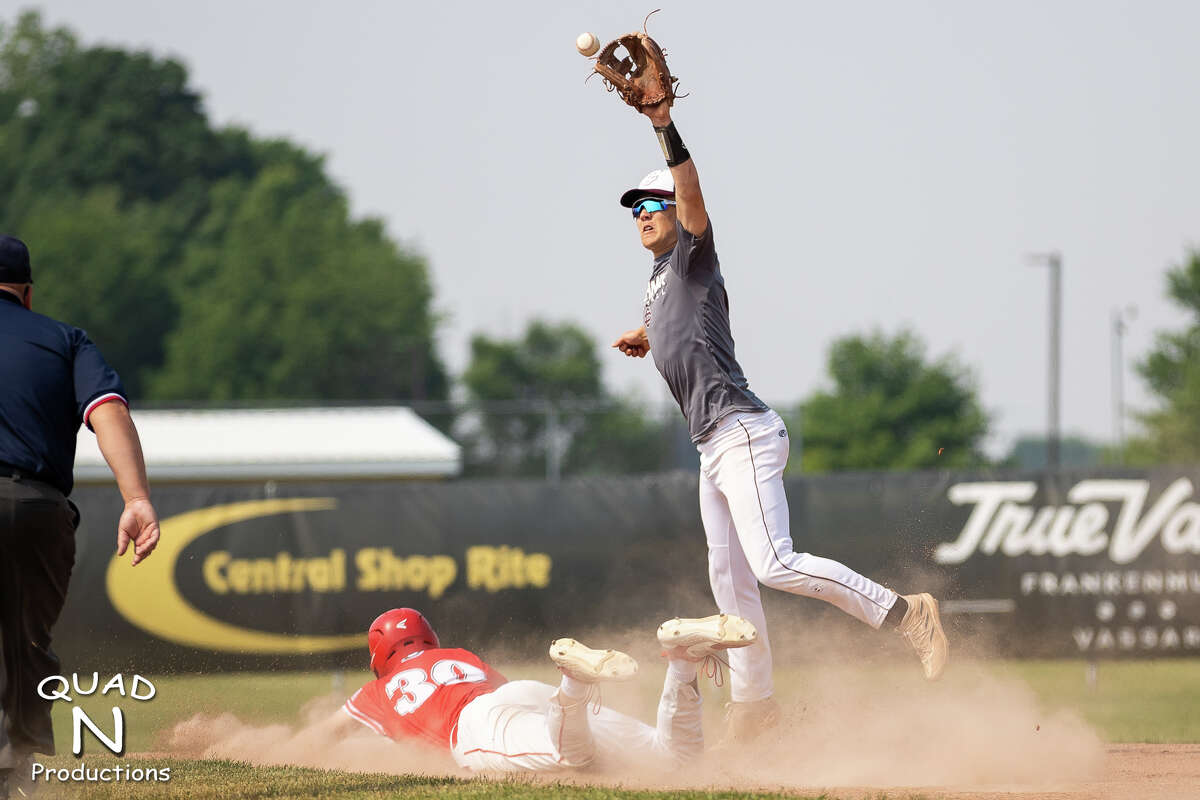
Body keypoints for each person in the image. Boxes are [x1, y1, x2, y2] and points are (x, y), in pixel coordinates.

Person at [607, 101, 949, 742]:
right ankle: (756, 706)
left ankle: (908, 614)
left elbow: (691, 193)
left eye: (651, 205)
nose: (642, 216)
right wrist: (645, 335)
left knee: (772, 565)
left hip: (743, 431)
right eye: (634, 209)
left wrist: (663, 125)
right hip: (711, 446)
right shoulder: (660, 282)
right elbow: (683, 328)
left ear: (676, 214)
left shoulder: (692, 256)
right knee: (727, 578)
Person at [0, 235, 161, 797]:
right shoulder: (63, 340)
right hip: (38, 509)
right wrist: (136, 497)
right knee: (25, 645)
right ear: (26, 289)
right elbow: (107, 410)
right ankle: (24, 777)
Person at [327, 608, 757, 772]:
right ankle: (681, 660)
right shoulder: (458, 656)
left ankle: (575, 682)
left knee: (571, 756)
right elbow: (505, 694)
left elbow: (328, 733)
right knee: (675, 758)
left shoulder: (380, 691)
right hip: (521, 694)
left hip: (475, 727)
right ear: (430, 639)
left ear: (379, 656)